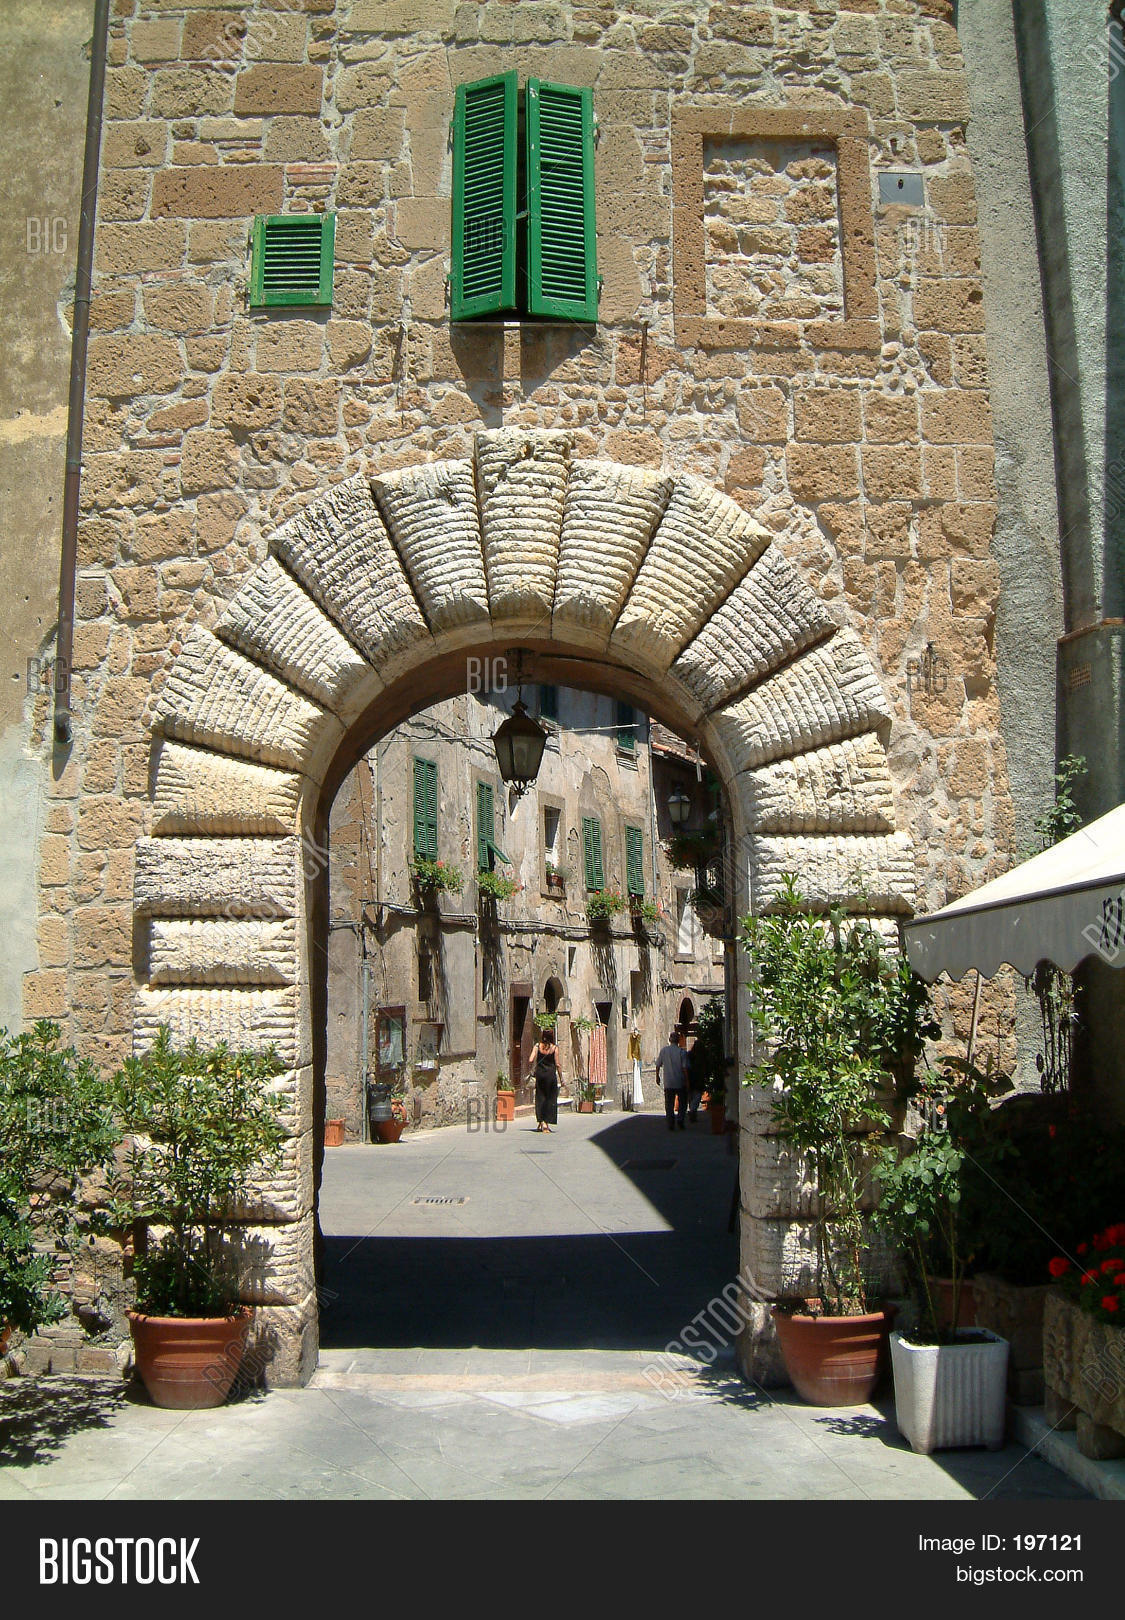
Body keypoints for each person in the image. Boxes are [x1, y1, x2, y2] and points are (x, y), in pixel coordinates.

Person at [655, 1028, 688, 1132]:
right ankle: (680, 1119)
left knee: (669, 1104)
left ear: (669, 1040)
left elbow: (658, 1064)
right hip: (680, 1081)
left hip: (668, 1082)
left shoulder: (664, 1051)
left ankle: (670, 1122)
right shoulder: (681, 1052)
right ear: (678, 1040)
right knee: (682, 1102)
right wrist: (687, 1081)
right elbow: (684, 1068)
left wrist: (657, 1076)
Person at [528, 1031, 560, 1132]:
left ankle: (540, 1121)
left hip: (540, 1075)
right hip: (550, 1076)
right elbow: (558, 1064)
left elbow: (530, 1059)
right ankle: (546, 1123)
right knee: (550, 1098)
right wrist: (561, 1078)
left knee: (540, 1097)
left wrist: (534, 1067)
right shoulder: (554, 1048)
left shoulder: (537, 1046)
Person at [686, 1036, 704, 1123]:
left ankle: (692, 1110)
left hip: (690, 1078)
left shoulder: (689, 1055)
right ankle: (693, 1110)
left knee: (691, 1096)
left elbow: (686, 1066)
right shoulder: (703, 1056)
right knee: (697, 1096)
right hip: (699, 1079)